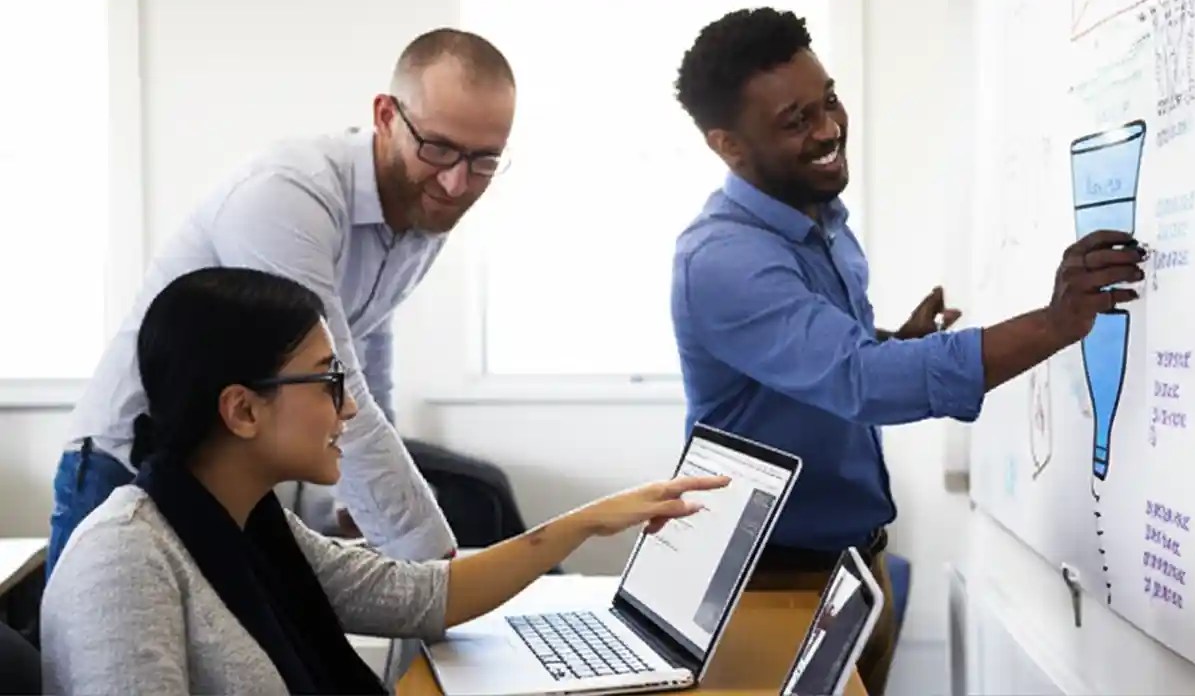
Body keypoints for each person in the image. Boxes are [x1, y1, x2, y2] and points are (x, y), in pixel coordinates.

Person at [670, 8, 1146, 696]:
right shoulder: (723, 259)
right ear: (728, 146)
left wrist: (900, 343)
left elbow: (822, 363)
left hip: (853, 571)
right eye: (794, 120)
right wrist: (1055, 323)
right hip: (766, 587)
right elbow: (860, 380)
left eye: (828, 100)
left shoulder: (820, 221)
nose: (829, 128)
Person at [40, 267, 729, 695]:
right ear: (242, 409)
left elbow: (418, 596)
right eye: (328, 380)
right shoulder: (125, 558)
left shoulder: (248, 524)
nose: (346, 407)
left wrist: (587, 521)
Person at [49, 27, 518, 575]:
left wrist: (354, 503)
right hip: (125, 465)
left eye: (484, 160)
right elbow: (338, 378)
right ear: (386, 115)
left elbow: (369, 352)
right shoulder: (290, 195)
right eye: (437, 148)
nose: (457, 182)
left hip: (216, 479)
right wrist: (431, 559)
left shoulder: (420, 213)